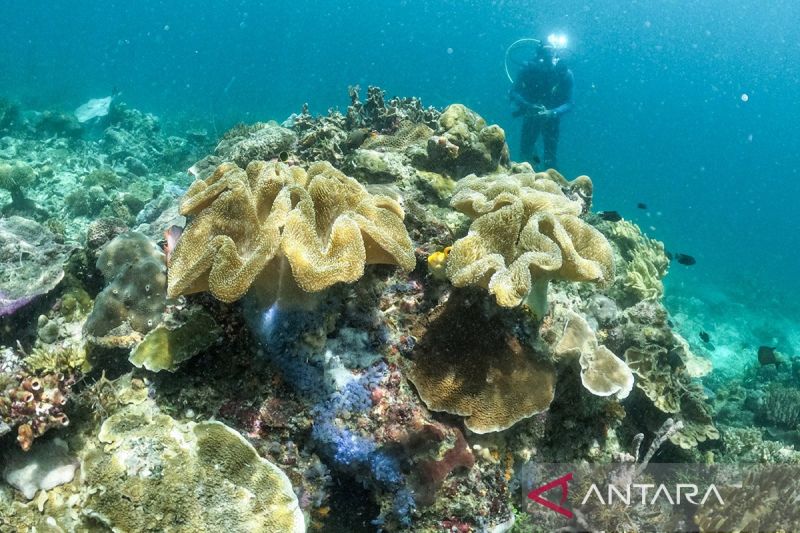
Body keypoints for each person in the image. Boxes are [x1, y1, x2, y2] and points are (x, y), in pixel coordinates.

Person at [509, 40, 573, 169]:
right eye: (544, 56)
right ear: (538, 55)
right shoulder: (528, 69)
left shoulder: (564, 73)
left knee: (550, 157)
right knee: (526, 154)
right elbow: (513, 92)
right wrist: (528, 106)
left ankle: (549, 182)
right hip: (531, 114)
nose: (547, 60)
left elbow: (569, 102)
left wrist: (552, 113)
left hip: (551, 118)